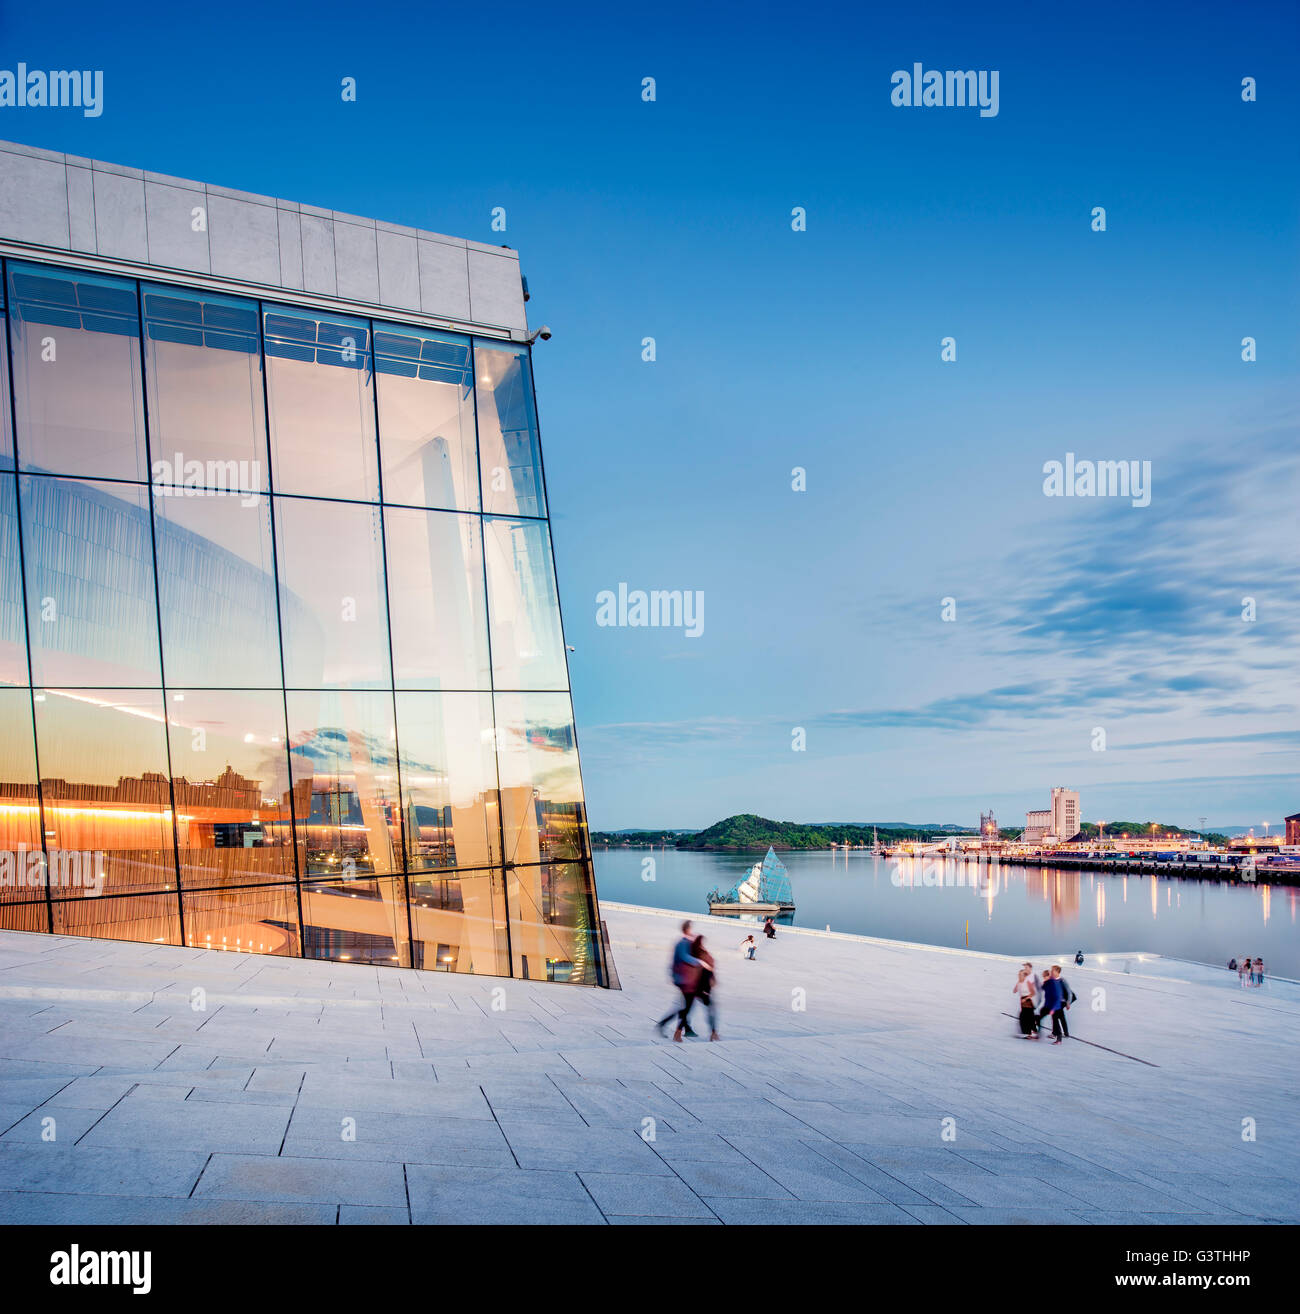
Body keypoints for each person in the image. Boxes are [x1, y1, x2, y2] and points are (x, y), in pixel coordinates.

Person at [656, 921, 702, 1038]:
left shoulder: (684, 942)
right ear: (687, 929)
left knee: (685, 1005)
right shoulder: (682, 943)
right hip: (683, 979)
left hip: (684, 978)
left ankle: (686, 1028)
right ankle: (665, 1024)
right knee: (686, 1005)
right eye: (691, 928)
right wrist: (699, 962)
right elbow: (684, 957)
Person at [689, 934, 720, 1041]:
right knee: (710, 1010)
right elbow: (706, 973)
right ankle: (713, 1033)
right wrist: (707, 990)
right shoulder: (702, 954)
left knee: (687, 1009)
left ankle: (683, 1029)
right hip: (702, 988)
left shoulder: (694, 952)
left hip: (693, 986)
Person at [1040, 967, 1066, 1044]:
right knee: (1041, 1016)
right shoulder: (1049, 981)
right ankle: (1036, 1032)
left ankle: (1059, 1039)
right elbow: (1043, 988)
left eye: (1045, 976)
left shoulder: (1056, 982)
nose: (1044, 978)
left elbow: (1058, 997)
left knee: (1055, 1021)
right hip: (1049, 1005)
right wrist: (1045, 981)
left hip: (1055, 1006)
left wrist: (1053, 1008)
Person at [1051, 964, 1075, 1039]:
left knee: (1055, 1016)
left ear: (1057, 972)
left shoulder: (1062, 980)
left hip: (1062, 1002)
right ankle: (1065, 1032)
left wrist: (1068, 1002)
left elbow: (1069, 992)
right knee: (1061, 1017)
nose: (1051, 971)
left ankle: (1055, 1033)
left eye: (1053, 970)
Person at [1013, 967, 1037, 1037]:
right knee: (1024, 1017)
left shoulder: (1028, 982)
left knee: (1027, 1017)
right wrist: (1018, 982)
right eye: (1019, 975)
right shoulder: (1019, 982)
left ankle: (1031, 1032)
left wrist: (1026, 998)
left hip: (1028, 1001)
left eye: (1021, 975)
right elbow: (1014, 991)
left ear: (1025, 975)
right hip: (1022, 1001)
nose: (1019, 976)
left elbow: (1033, 993)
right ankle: (1027, 1032)